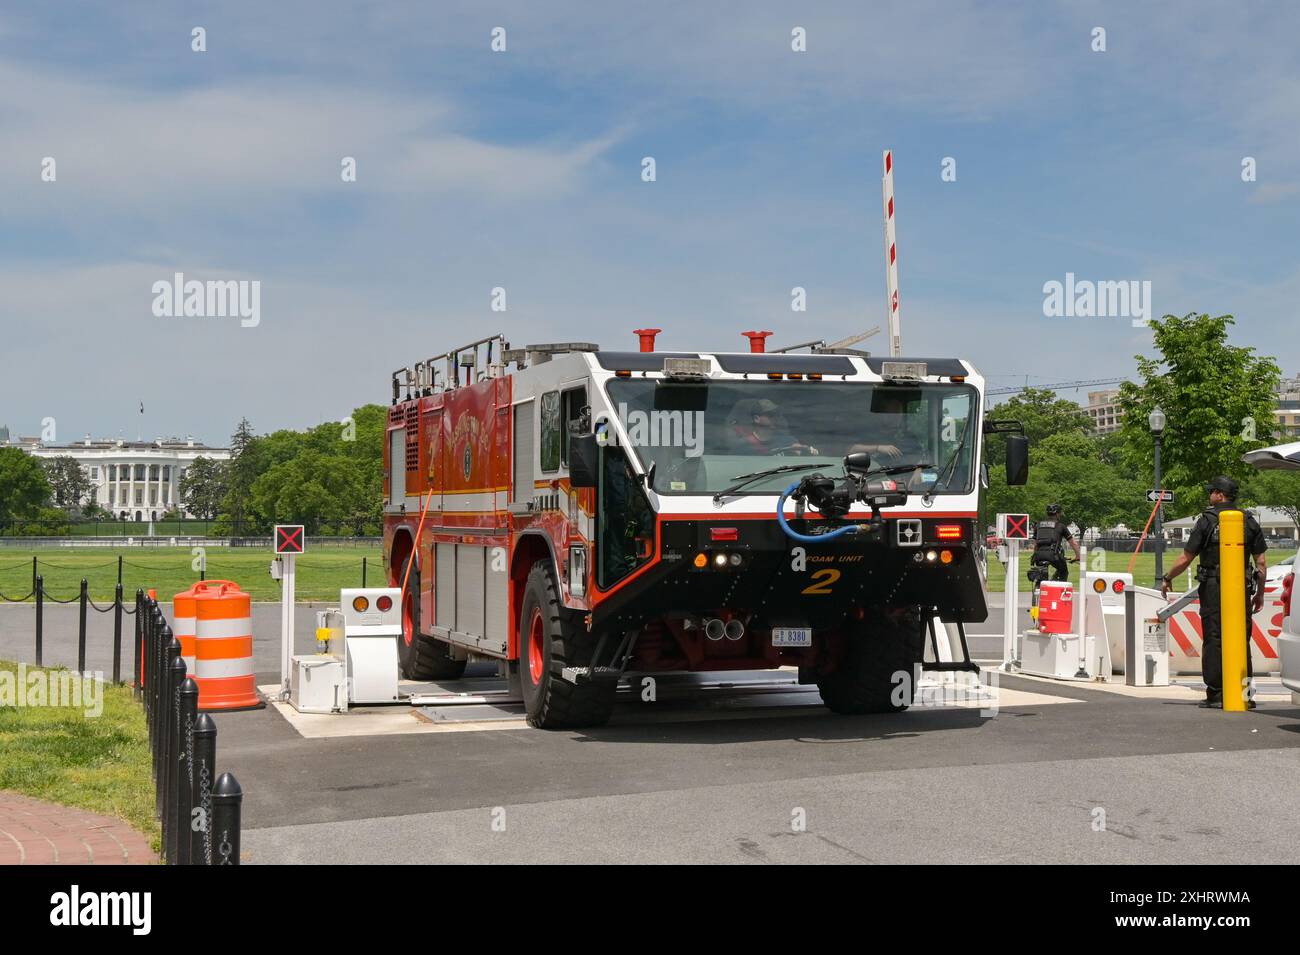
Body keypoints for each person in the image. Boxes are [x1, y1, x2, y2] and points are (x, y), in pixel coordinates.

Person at [1160, 476, 1267, 708]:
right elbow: (1261, 562)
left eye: (1212, 492)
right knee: (1241, 638)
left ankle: (1217, 694)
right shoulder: (1248, 520)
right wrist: (1260, 594)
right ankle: (1245, 695)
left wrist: (1168, 578)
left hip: (1212, 587)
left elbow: (1186, 557)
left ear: (1219, 494)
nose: (1210, 495)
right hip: (1242, 588)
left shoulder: (1207, 520)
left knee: (1214, 638)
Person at [723, 398, 818, 455]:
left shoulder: (787, 441)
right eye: (770, 415)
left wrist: (806, 451)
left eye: (777, 414)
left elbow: (799, 451)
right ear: (756, 419)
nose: (776, 418)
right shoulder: (742, 447)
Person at [1030, 503, 1081, 581]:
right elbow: (1073, 543)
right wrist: (1078, 556)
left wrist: (1036, 554)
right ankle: (1060, 590)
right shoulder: (1060, 526)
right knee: (1063, 572)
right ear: (1057, 514)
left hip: (1039, 555)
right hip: (1053, 555)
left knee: (1041, 574)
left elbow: (1035, 544)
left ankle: (1039, 587)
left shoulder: (1038, 525)